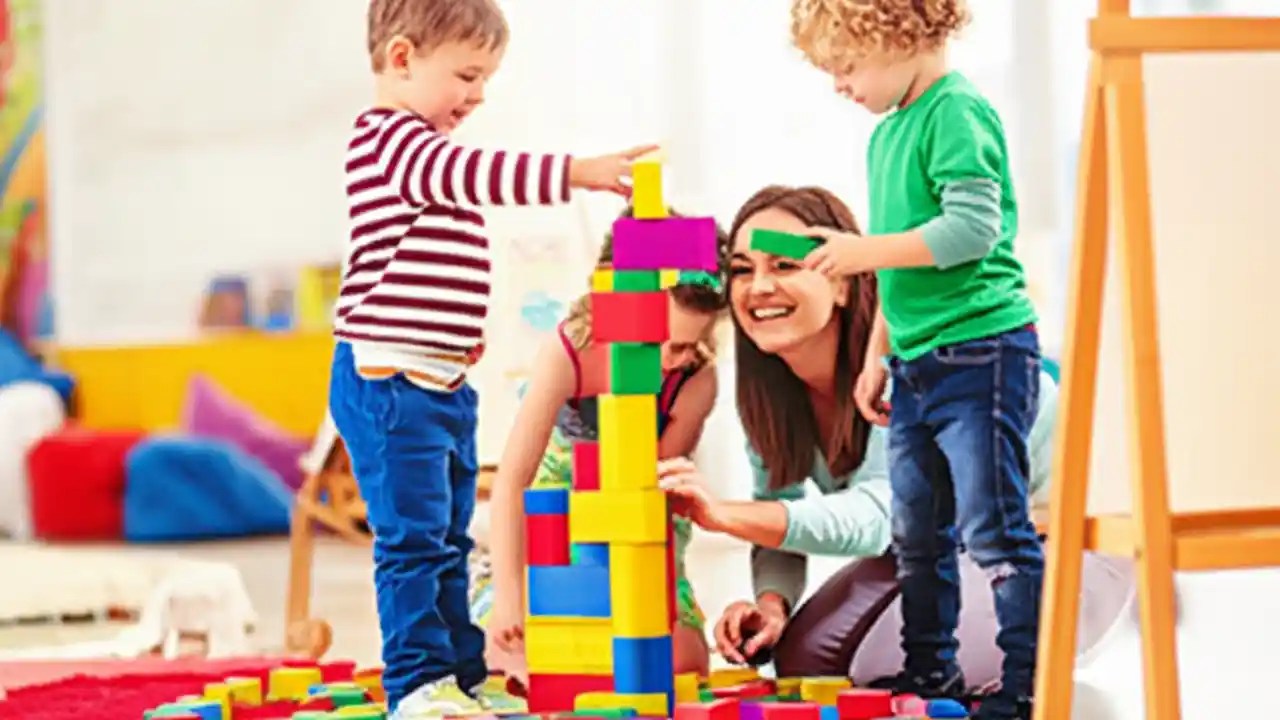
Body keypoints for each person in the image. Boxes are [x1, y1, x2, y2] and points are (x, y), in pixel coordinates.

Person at [660, 186, 1133, 718]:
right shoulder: (771, 396)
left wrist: (724, 516)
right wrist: (773, 604)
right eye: (743, 270)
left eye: (786, 264)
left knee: (883, 675)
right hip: (941, 552)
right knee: (803, 661)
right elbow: (781, 504)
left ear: (842, 283)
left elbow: (880, 516)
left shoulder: (908, 359)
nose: (760, 286)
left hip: (1062, 547)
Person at [328, 1, 656, 716]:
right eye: (468, 76)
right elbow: (478, 173)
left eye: (486, 80)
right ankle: (416, 683)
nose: (478, 96)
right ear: (405, 58)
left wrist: (456, 334)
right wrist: (578, 171)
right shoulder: (388, 140)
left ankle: (459, 674)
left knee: (448, 534)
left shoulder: (422, 154)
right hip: (391, 386)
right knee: (413, 540)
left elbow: (423, 261)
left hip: (439, 380)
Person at [485, 208, 729, 687]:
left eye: (682, 346)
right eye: (655, 340)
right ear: (608, 303)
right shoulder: (569, 351)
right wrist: (510, 596)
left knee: (679, 660)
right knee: (506, 653)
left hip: (638, 525)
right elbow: (513, 482)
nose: (666, 360)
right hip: (556, 515)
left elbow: (655, 503)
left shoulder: (695, 378)